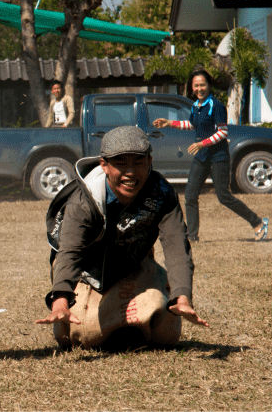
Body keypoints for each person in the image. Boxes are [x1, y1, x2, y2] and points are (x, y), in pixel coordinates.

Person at [36, 125, 208, 349]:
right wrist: (60, 301)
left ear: (150, 161)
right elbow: (70, 251)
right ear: (104, 165)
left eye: (138, 162)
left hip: (132, 265)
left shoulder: (162, 194)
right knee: (80, 336)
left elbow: (177, 246)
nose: (130, 172)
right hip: (87, 272)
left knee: (166, 335)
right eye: (120, 163)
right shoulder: (84, 200)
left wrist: (182, 297)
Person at [153, 68, 268, 242]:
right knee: (190, 196)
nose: (199, 89)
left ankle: (257, 222)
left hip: (218, 158)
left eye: (202, 85)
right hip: (201, 157)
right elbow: (192, 125)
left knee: (224, 197)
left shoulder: (216, 105)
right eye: (196, 85)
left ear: (209, 86)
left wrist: (202, 143)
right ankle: (192, 237)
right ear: (192, 87)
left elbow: (223, 132)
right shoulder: (196, 106)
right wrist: (170, 123)